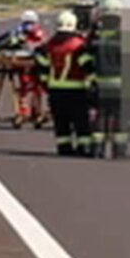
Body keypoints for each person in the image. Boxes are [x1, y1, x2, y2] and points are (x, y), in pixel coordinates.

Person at [34, 10, 94, 156]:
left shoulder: (48, 46)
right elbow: (88, 67)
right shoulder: (78, 46)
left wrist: (46, 84)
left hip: (55, 91)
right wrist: (93, 86)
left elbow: (41, 68)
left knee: (61, 122)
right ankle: (84, 148)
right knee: (81, 122)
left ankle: (64, 148)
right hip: (77, 90)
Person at [89, 0, 129, 160]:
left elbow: (87, 56)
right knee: (119, 117)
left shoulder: (96, 36)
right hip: (121, 84)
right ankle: (119, 150)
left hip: (100, 83)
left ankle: (97, 149)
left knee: (101, 115)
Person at [15, 9, 48, 126]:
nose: (29, 26)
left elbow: (42, 44)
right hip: (25, 63)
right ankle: (26, 111)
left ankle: (35, 110)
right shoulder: (19, 32)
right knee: (26, 87)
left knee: (36, 88)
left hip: (36, 64)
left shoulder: (39, 33)